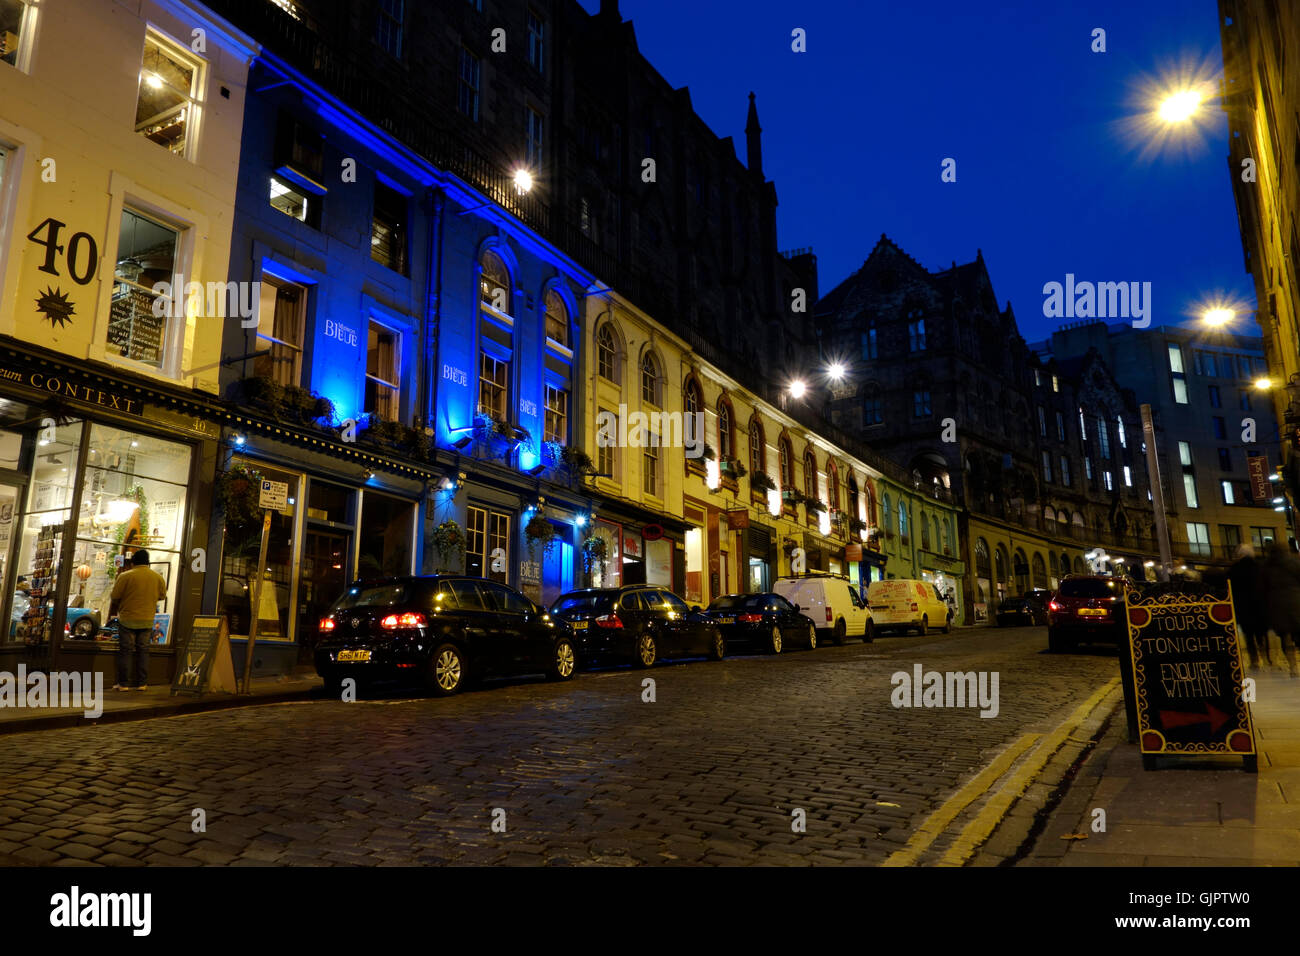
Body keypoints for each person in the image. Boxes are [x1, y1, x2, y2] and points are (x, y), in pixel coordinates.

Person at [109, 550, 166, 691]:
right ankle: (142, 683)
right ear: (148, 562)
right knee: (143, 651)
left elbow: (115, 596)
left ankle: (123, 684)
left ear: (133, 562)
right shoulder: (157, 577)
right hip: (147, 619)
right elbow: (162, 596)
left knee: (126, 651)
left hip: (128, 619)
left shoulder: (125, 576)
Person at [1259, 543, 1300, 678]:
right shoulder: (1294, 562)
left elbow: (1262, 590)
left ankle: (1293, 666)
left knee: (1285, 636)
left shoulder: (1266, 567)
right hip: (1296, 601)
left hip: (1277, 605)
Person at [1227, 543, 1269, 669]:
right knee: (1260, 633)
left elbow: (1229, 588)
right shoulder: (1260, 567)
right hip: (1259, 606)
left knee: (1248, 635)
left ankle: (1254, 660)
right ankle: (1266, 657)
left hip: (1243, 607)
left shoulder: (1234, 569)